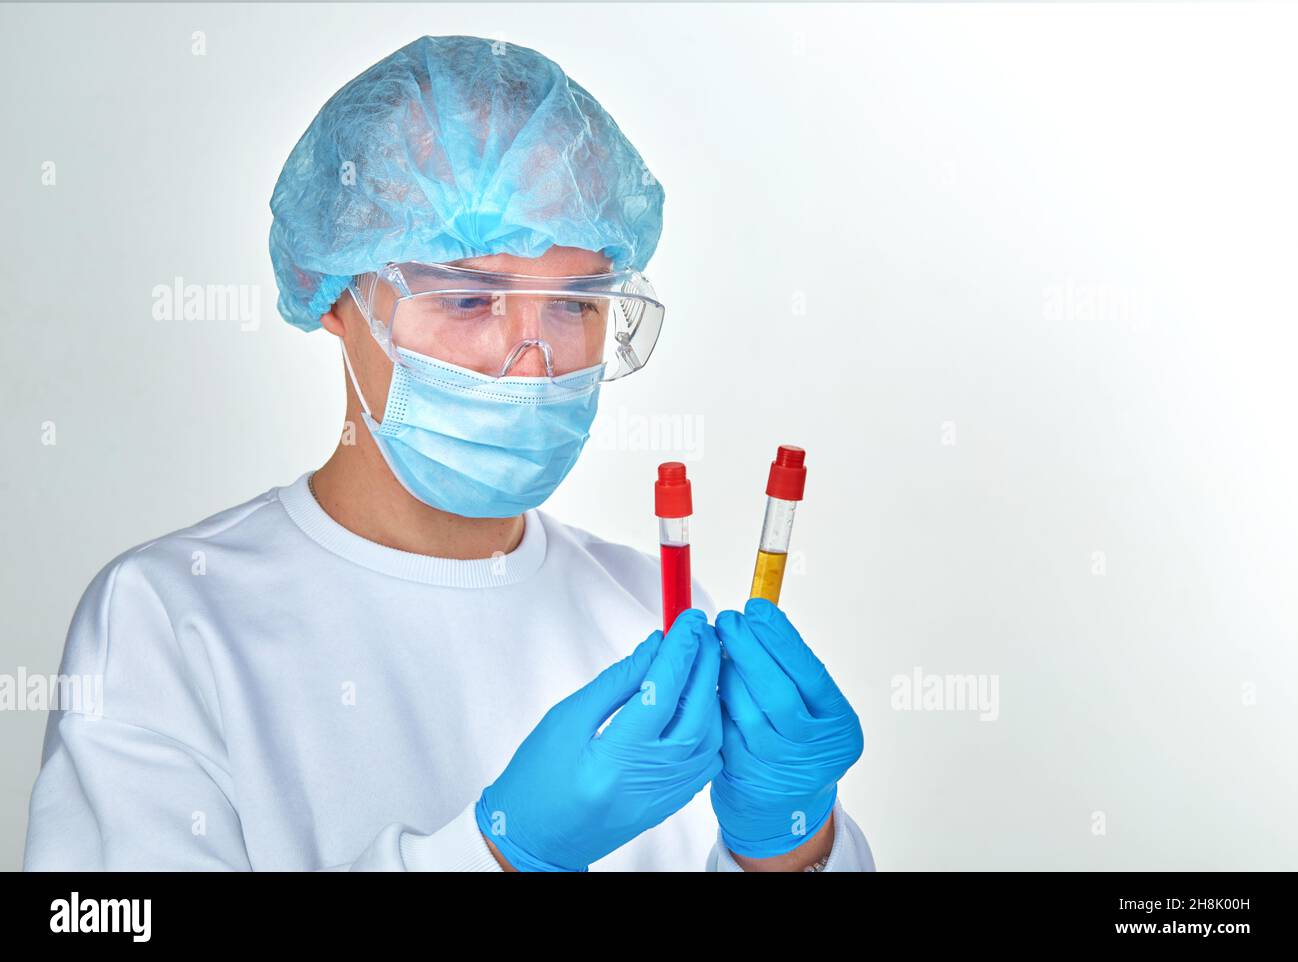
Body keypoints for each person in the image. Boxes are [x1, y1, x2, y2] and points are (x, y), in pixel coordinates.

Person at [24, 35, 873, 872]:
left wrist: (790, 851)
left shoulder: (653, 608)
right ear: (335, 294)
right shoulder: (171, 620)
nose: (531, 359)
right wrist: (496, 854)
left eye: (576, 305)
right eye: (470, 297)